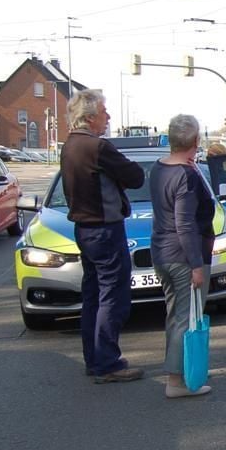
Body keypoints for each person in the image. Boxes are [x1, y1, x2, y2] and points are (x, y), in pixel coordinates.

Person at [60, 89, 146, 383]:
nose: (108, 117)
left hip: (85, 229)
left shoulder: (70, 145)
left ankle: (94, 359)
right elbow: (136, 177)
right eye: (104, 112)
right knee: (113, 296)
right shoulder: (97, 147)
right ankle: (108, 363)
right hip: (105, 228)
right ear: (90, 116)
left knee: (93, 296)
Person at [149, 115, 215, 398]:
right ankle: (176, 381)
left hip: (162, 251)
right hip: (183, 256)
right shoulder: (185, 176)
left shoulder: (159, 168)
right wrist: (196, 266)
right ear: (196, 141)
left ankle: (178, 372)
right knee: (185, 318)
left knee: (175, 315)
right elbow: (185, 223)